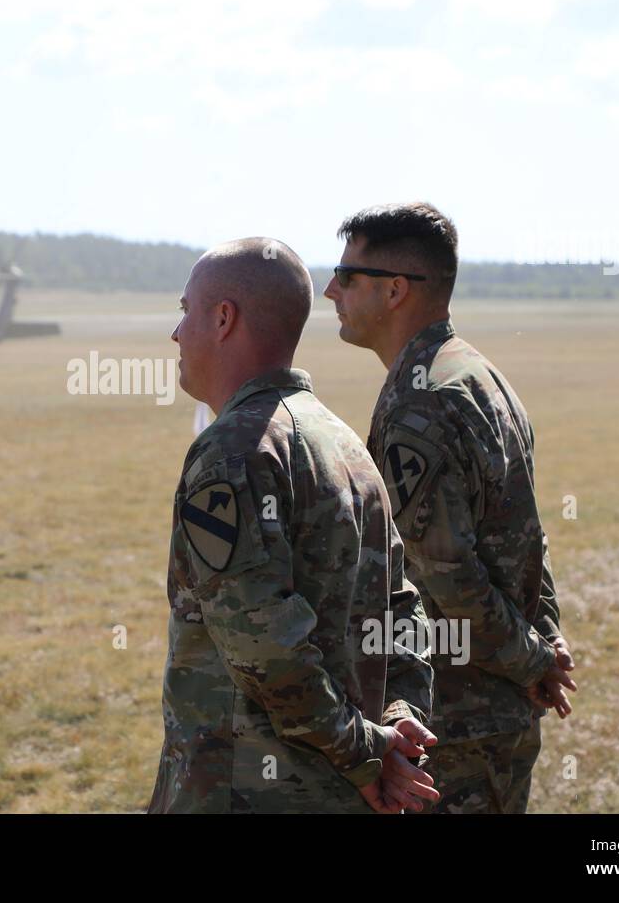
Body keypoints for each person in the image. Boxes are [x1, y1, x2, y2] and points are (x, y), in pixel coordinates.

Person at [148, 236, 437, 814]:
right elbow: (403, 608)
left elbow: (266, 645)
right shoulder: (342, 441)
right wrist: (397, 726)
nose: (176, 333)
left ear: (224, 318)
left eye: (186, 311)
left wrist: (368, 753)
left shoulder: (235, 453)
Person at [324, 202, 576, 813]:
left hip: (455, 717)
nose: (330, 289)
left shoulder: (423, 402)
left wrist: (533, 657)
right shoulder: (480, 376)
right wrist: (543, 641)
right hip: (496, 706)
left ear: (394, 290)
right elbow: (527, 540)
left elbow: (446, 575)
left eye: (346, 275)